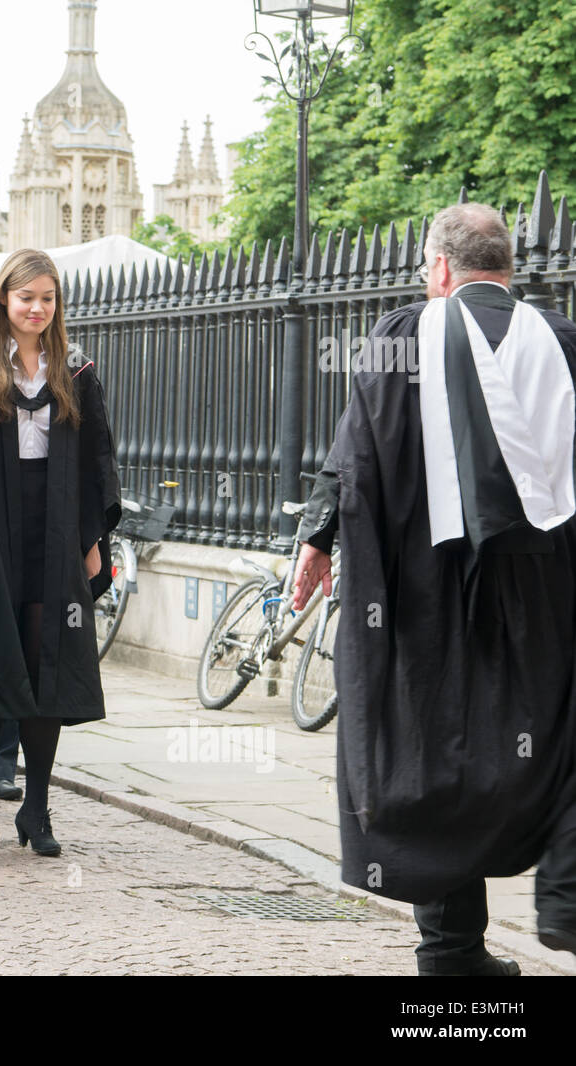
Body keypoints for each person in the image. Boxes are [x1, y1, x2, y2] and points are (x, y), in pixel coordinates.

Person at [292, 202, 576, 975]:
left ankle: (451, 951)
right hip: (540, 588)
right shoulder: (561, 340)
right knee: (550, 729)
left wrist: (318, 540)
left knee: (434, 747)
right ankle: (565, 900)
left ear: (441, 267)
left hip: (421, 593)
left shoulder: (402, 335)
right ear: (507, 266)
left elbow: (356, 454)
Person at [0, 248, 120, 856]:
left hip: (53, 529)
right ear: (4, 299)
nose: (37, 308)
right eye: (26, 297)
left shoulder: (73, 370)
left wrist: (93, 541)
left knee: (44, 656)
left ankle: (37, 806)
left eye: (48, 298)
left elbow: (97, 456)